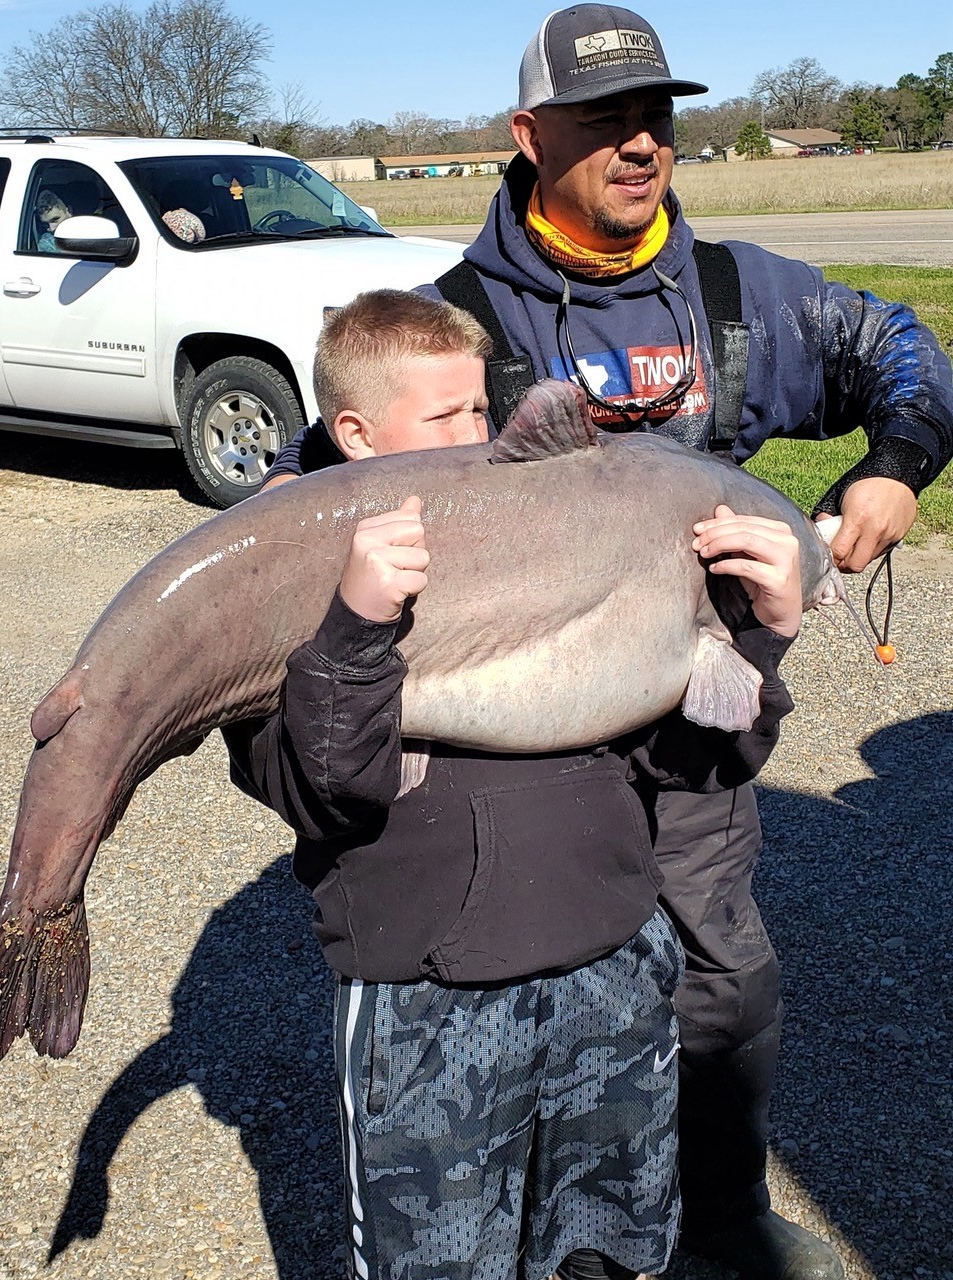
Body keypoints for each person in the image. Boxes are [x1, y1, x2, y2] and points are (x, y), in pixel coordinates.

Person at [264, 10, 953, 1278]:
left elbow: (906, 349)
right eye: (602, 119)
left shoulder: (746, 298)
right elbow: (309, 508)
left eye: (658, 115)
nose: (641, 141)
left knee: (722, 985)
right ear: (529, 138)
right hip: (524, 751)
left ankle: (717, 1215)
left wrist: (898, 466)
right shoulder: (457, 325)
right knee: (523, 1030)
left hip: (694, 708)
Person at [224, 288, 808, 1280]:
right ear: (356, 433)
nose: (478, 433)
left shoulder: (571, 542)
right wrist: (357, 631)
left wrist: (761, 633)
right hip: (427, 1001)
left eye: (479, 409)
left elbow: (692, 763)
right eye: (446, 415)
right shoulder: (299, 576)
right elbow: (321, 789)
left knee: (609, 1247)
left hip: (614, 968)